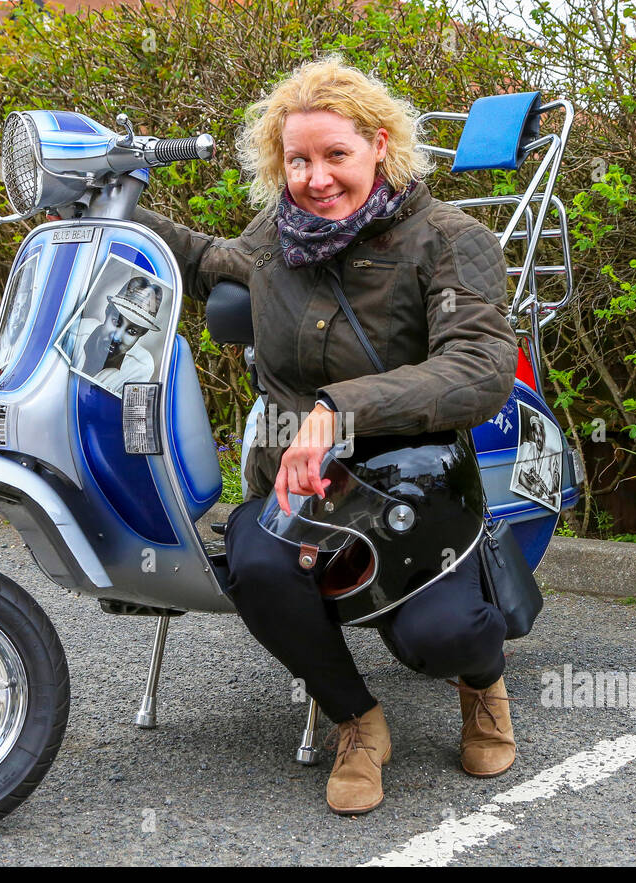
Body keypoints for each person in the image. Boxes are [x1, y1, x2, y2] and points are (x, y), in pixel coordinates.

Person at [132, 54, 520, 814]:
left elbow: (480, 368)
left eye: (335, 154)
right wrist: (107, 207)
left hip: (415, 484)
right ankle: (357, 720)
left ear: (380, 145)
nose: (314, 178)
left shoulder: (447, 237)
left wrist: (339, 408)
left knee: (436, 638)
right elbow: (214, 260)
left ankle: (482, 684)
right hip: (295, 482)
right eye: (297, 159)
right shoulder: (276, 237)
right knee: (256, 569)